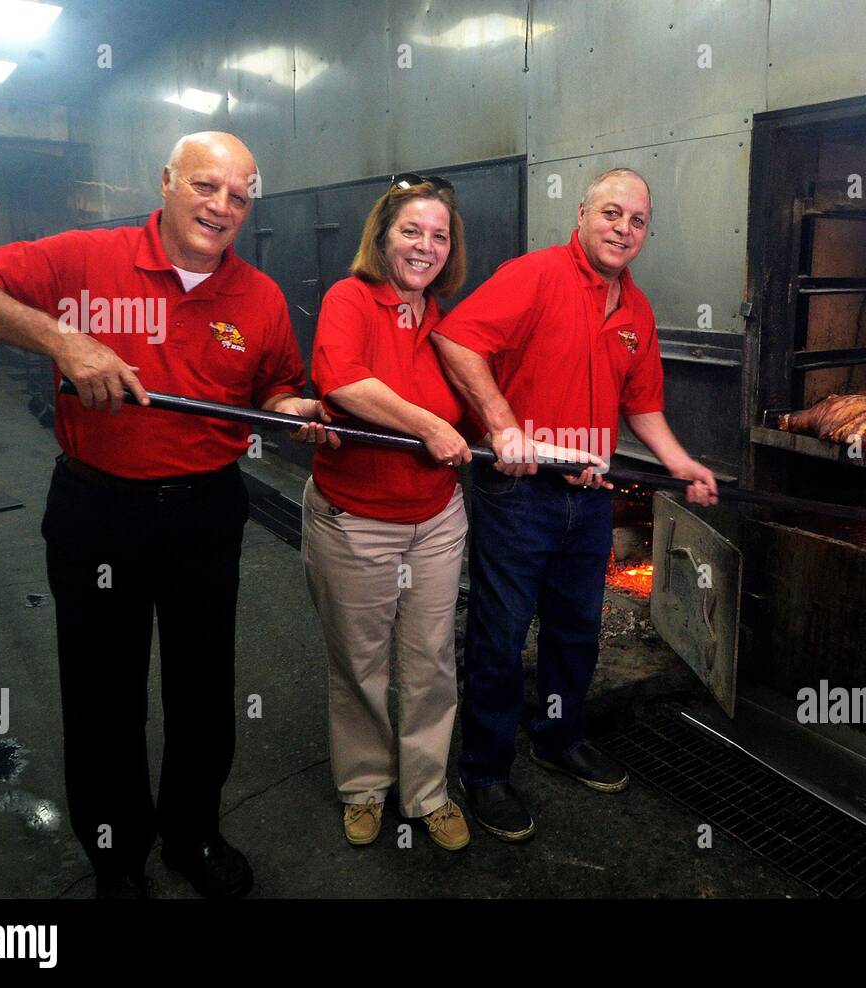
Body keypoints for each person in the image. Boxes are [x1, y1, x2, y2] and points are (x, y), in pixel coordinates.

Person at [0, 132, 336, 898]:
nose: (222, 207)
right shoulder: (84, 258)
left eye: (240, 196)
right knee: (102, 695)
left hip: (207, 512)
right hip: (99, 512)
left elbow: (274, 388)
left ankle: (193, 834)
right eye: (207, 186)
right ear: (167, 181)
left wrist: (291, 407)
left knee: (204, 690)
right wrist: (63, 338)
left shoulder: (259, 297)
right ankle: (117, 858)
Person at [432, 167, 720, 842]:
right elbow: (455, 338)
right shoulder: (534, 275)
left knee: (575, 631)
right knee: (500, 637)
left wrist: (680, 465)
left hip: (590, 497)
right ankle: (485, 770)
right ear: (583, 213)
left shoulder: (635, 311)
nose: (623, 229)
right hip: (519, 493)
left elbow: (642, 405)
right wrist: (503, 424)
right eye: (612, 213)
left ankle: (558, 736)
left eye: (637, 221)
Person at [301, 174, 474, 851]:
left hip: (435, 517)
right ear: (383, 237)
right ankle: (365, 784)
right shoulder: (352, 298)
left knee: (432, 658)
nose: (426, 246)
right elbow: (340, 378)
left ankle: (427, 790)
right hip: (357, 517)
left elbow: (481, 396)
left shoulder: (445, 317)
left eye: (439, 235)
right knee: (361, 660)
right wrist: (429, 426)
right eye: (412, 231)